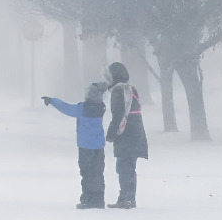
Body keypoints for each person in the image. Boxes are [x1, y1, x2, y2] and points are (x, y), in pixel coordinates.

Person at [42, 81, 109, 209]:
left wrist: (52, 100)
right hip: (99, 146)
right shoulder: (101, 108)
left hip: (85, 147)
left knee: (87, 173)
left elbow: (66, 108)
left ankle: (88, 200)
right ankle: (98, 199)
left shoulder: (82, 108)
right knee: (98, 173)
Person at [104, 62, 148, 209]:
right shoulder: (130, 87)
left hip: (126, 133)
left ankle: (126, 198)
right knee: (130, 165)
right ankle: (129, 197)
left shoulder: (118, 90)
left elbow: (117, 114)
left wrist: (111, 133)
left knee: (123, 166)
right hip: (136, 131)